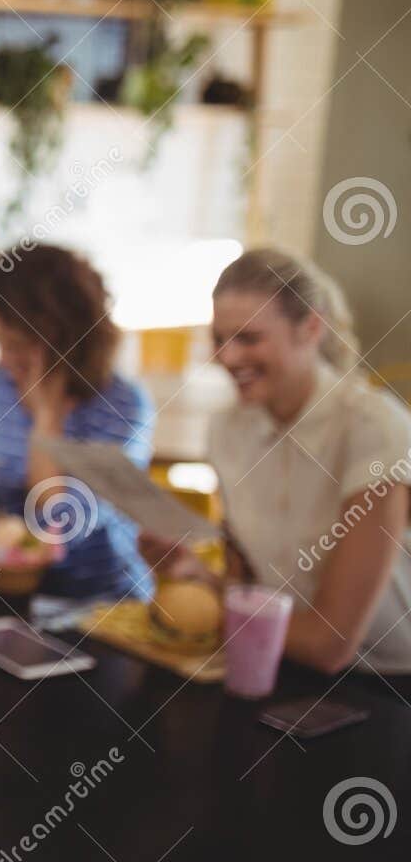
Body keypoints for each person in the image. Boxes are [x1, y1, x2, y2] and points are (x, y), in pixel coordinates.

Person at [140, 247, 411, 675]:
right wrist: (197, 574)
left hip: (383, 687)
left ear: (311, 327)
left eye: (248, 338)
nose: (228, 358)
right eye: (219, 339)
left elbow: (328, 644)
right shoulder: (226, 430)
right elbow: (247, 582)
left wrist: (216, 602)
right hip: (270, 658)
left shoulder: (374, 430)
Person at [0, 244, 156, 600]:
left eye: (18, 345)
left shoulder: (123, 406)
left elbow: (63, 525)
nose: (7, 360)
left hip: (101, 607)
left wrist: (45, 419)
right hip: (5, 592)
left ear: (64, 337)